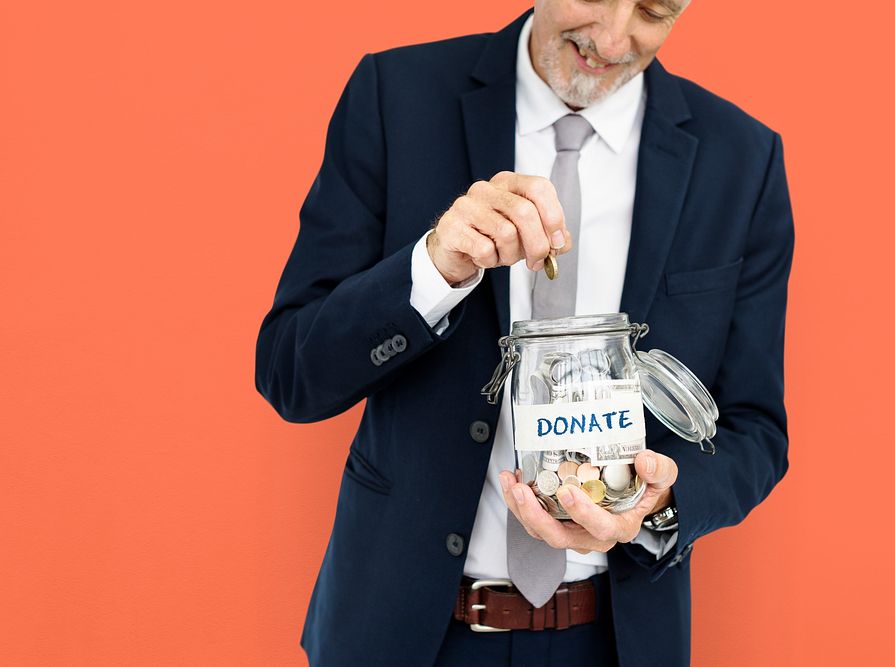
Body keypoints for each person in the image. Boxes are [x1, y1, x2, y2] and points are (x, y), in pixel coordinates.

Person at [255, 1, 793, 665]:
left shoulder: (743, 160)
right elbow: (291, 371)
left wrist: (659, 505)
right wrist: (433, 267)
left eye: (653, 11)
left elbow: (756, 429)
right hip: (402, 632)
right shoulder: (395, 96)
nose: (611, 39)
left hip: (614, 638)